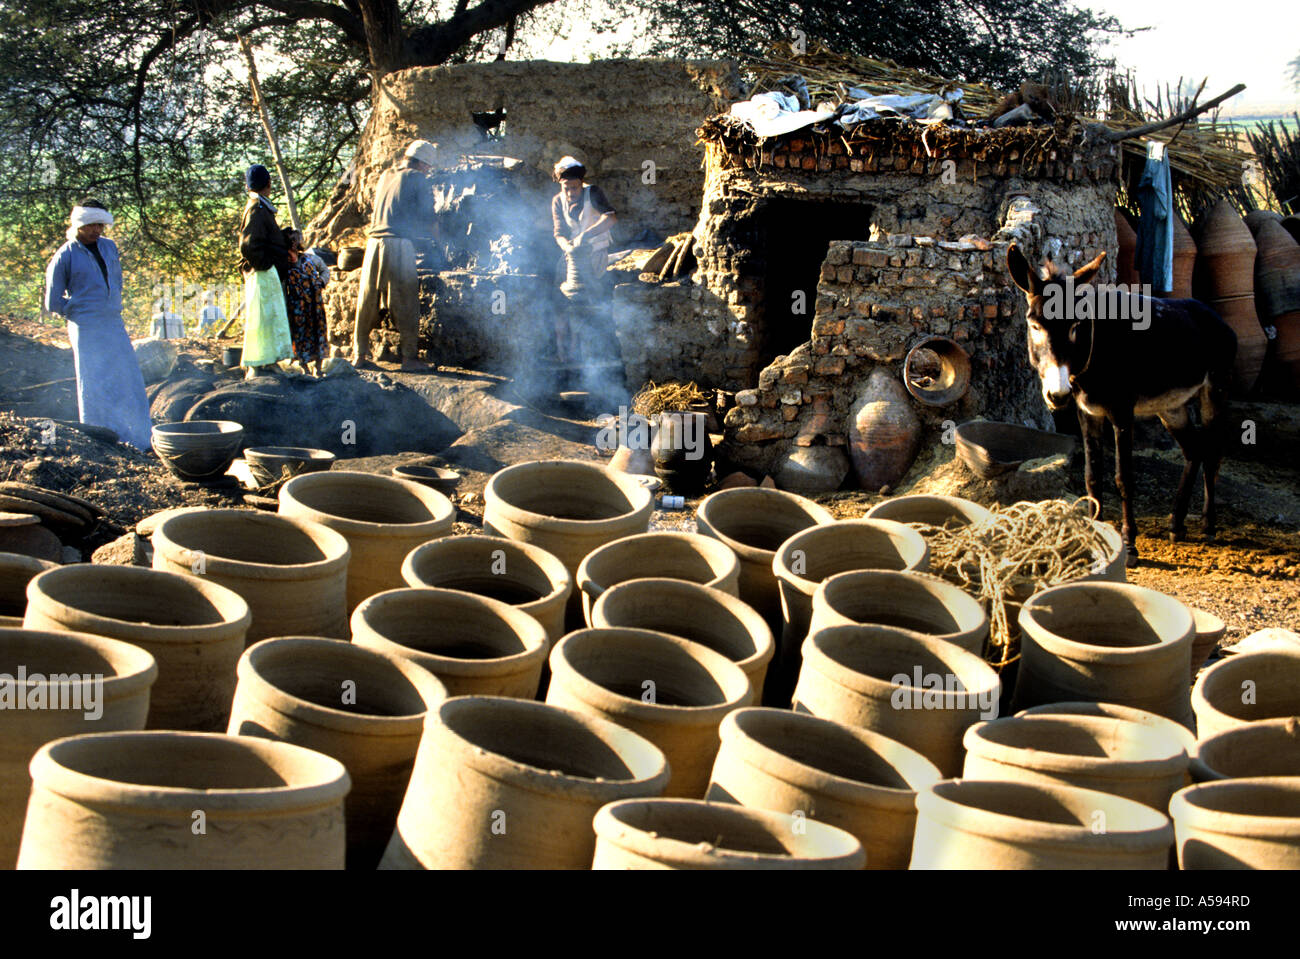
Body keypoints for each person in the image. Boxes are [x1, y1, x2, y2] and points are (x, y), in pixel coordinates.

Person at [43, 200, 153, 450]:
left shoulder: (109, 247)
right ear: (78, 224)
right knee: (94, 382)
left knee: (127, 378)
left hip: (113, 322)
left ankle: (138, 439)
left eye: (100, 225)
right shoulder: (65, 255)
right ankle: (100, 441)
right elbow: (52, 302)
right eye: (90, 225)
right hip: (86, 328)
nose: (96, 230)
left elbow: (116, 281)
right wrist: (80, 312)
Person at [353, 139, 437, 372]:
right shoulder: (417, 178)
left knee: (367, 300)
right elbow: (428, 217)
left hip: (373, 244)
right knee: (405, 300)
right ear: (422, 164)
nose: (428, 171)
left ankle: (359, 355)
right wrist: (440, 240)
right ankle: (410, 358)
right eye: (428, 167)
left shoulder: (385, 176)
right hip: (398, 244)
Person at [550, 156, 617, 363]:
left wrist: (586, 235)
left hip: (595, 254)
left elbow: (611, 218)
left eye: (575, 188)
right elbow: (559, 232)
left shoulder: (593, 193)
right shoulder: (557, 201)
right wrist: (567, 246)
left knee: (593, 301)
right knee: (560, 300)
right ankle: (562, 349)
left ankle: (595, 351)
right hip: (572, 256)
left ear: (582, 184)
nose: (570, 193)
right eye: (566, 188)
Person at [238, 163, 293, 379]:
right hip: (262, 272)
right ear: (268, 184)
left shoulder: (260, 207)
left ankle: (267, 360)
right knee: (262, 317)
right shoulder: (257, 209)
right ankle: (257, 364)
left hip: (264, 270)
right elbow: (249, 245)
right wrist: (266, 264)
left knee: (268, 317)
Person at [283, 229, 329, 377]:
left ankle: (319, 366)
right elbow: (283, 287)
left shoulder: (309, 258)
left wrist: (321, 281)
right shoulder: (284, 265)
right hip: (297, 307)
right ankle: (305, 367)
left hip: (315, 304)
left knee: (318, 332)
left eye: (296, 240)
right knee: (300, 335)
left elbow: (324, 270)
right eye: (292, 240)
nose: (295, 243)